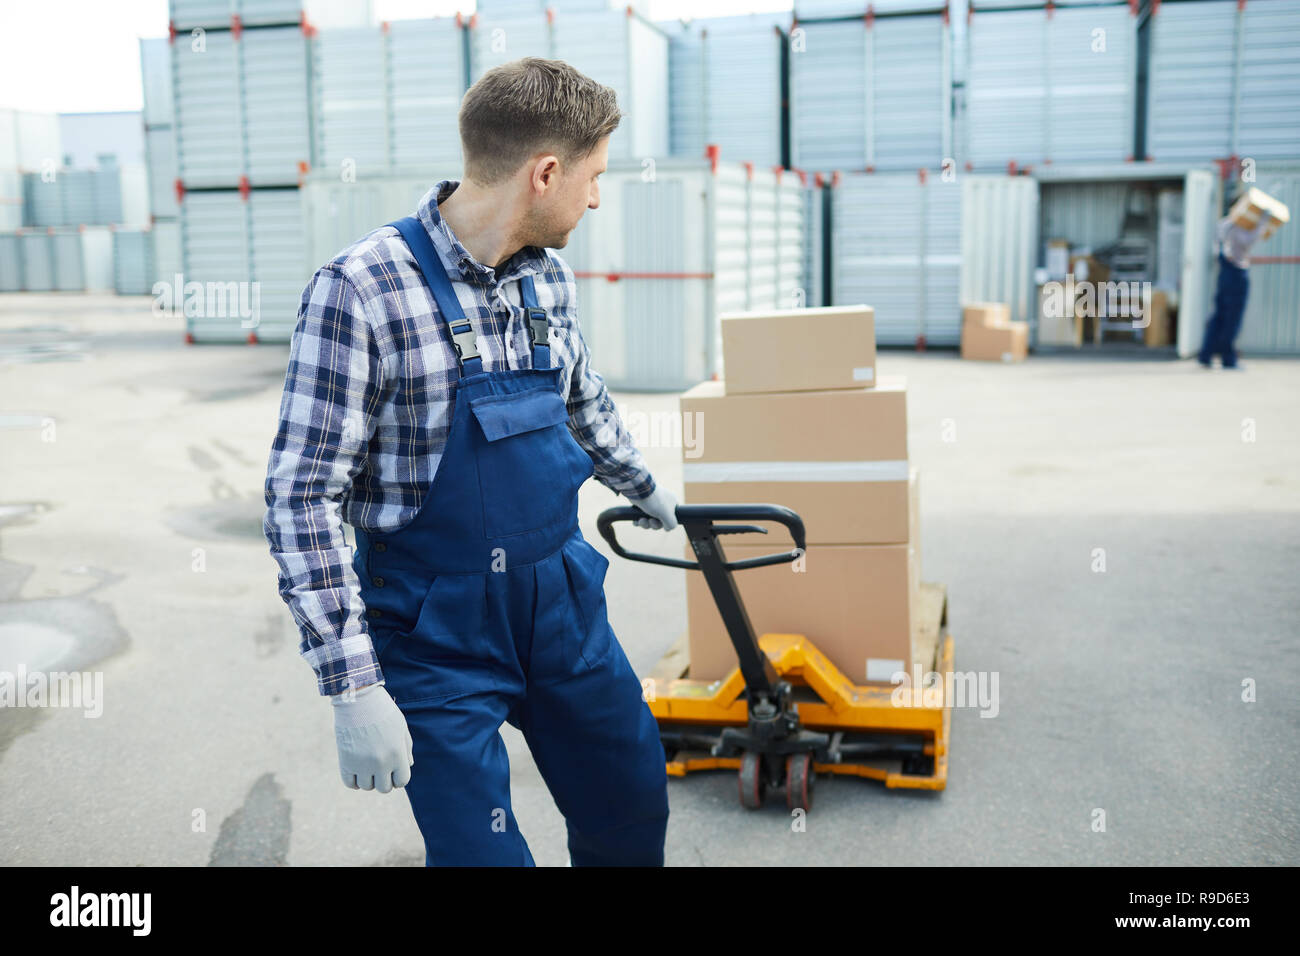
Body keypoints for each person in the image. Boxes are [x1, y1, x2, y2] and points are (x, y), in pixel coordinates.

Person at [262, 58, 678, 866]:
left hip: (560, 602)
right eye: (593, 178)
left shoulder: (547, 281)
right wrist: (351, 685)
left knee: (630, 806)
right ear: (545, 173)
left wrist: (646, 486)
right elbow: (301, 497)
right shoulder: (360, 291)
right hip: (432, 628)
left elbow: (581, 402)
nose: (595, 198)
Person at [1197, 204, 1275, 369]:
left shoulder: (1223, 224)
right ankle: (1228, 358)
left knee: (1218, 315)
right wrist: (1263, 221)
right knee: (1232, 318)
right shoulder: (1236, 228)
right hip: (1236, 274)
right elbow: (1249, 241)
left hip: (1225, 274)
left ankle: (1206, 354)